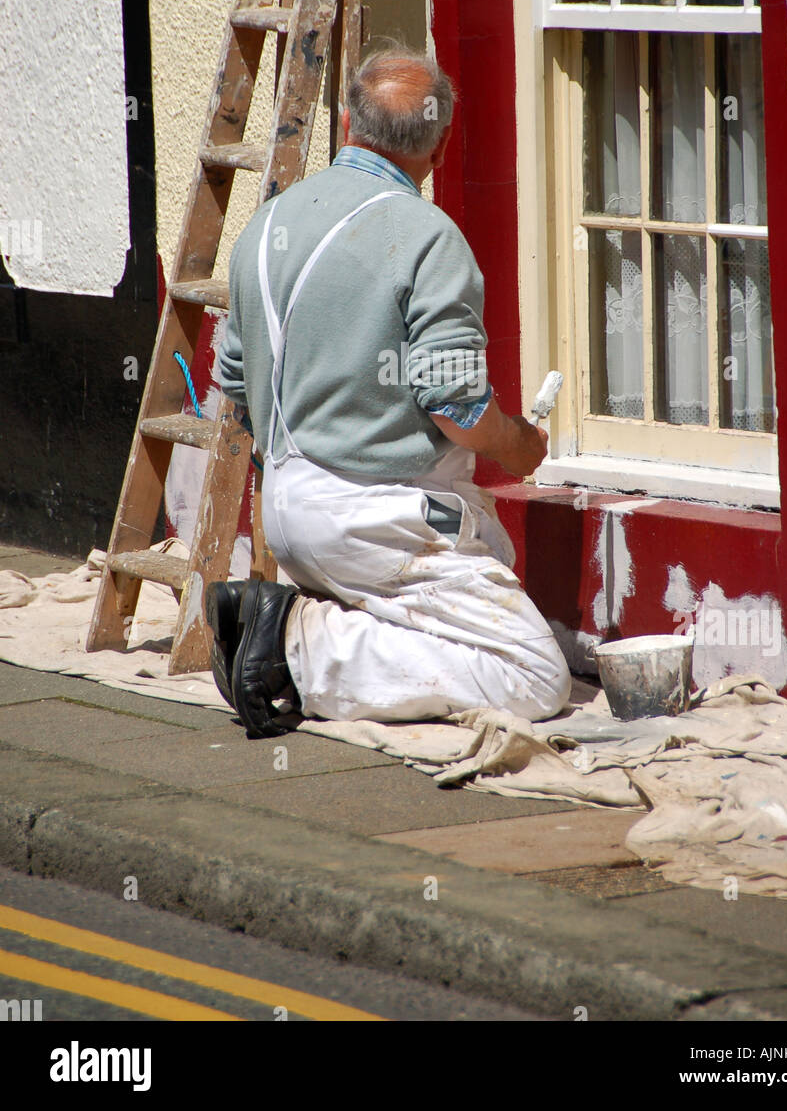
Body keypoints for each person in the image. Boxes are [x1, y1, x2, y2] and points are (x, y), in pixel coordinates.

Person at [211, 45, 571, 737]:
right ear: (439, 148)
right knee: (535, 675)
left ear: (348, 122)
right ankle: (292, 647)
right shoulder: (426, 236)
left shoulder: (266, 225)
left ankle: (291, 624)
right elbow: (457, 409)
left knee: (489, 554)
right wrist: (521, 446)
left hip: (286, 506)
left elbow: (233, 380)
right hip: (377, 515)